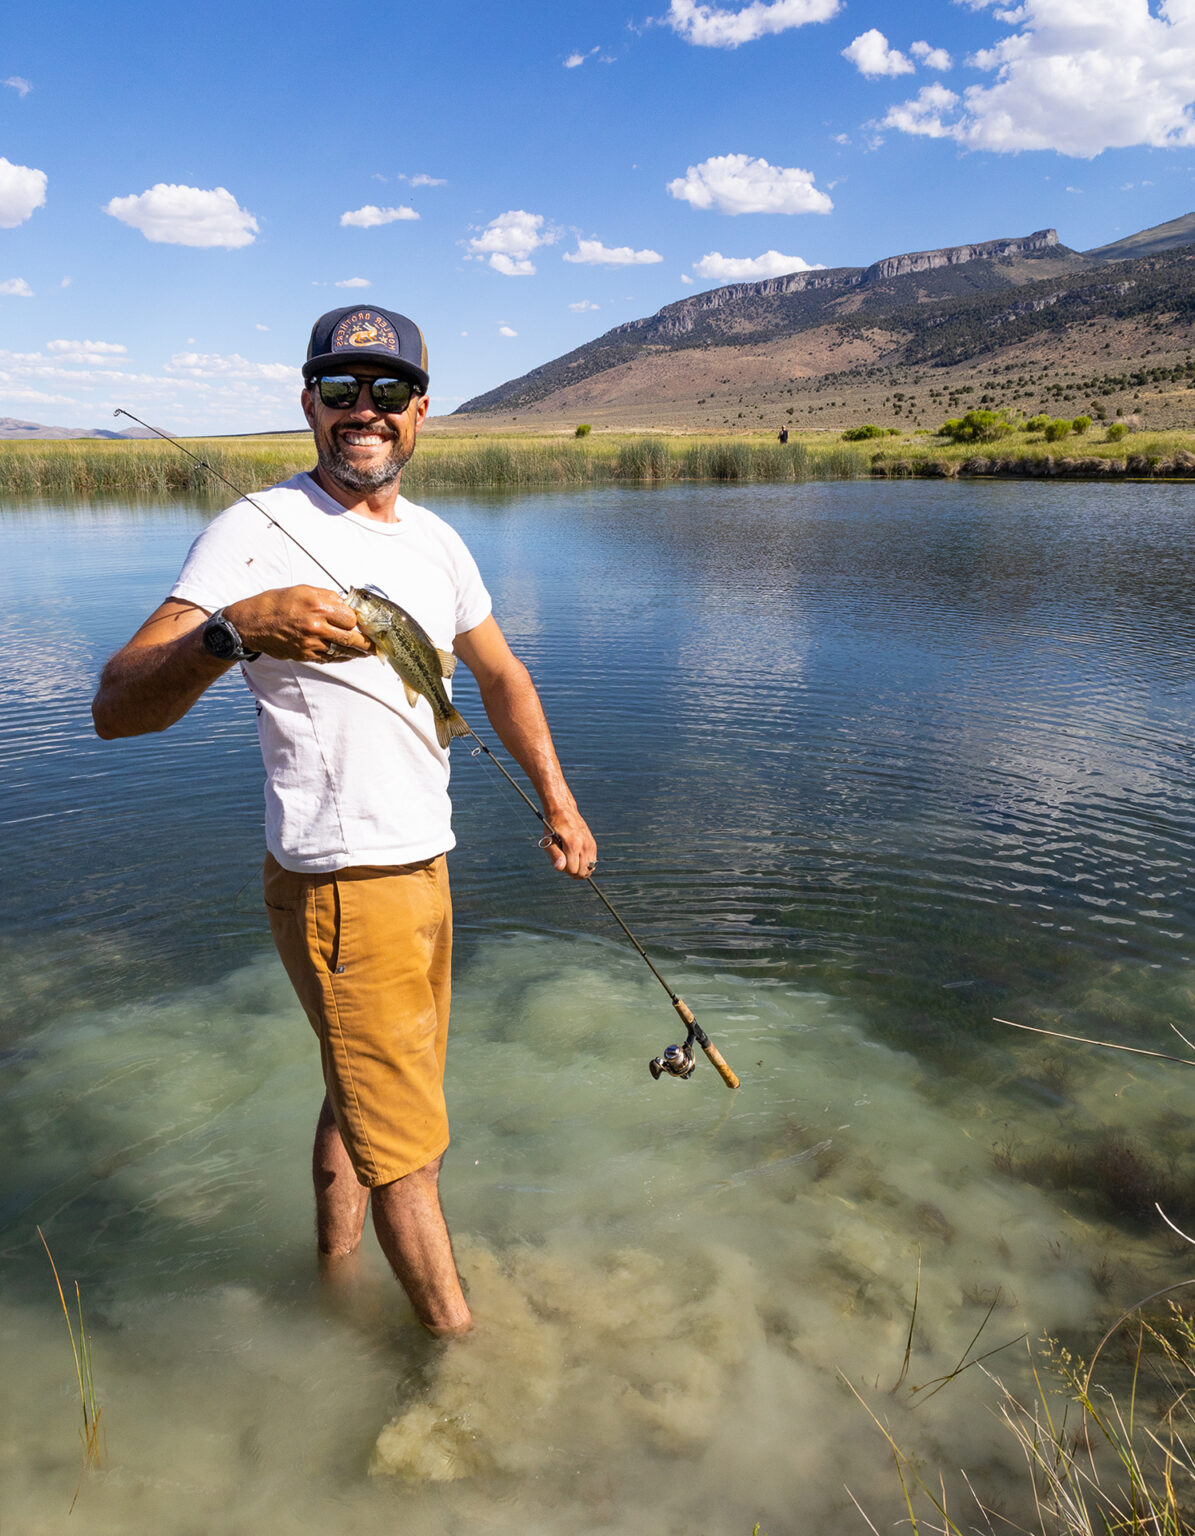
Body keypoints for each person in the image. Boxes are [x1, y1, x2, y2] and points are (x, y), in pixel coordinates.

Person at [91, 305, 597, 1337]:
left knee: (363, 1094)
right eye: (338, 390)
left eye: (385, 393)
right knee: (409, 1145)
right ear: (307, 403)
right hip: (338, 883)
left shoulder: (436, 541)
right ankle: (457, 1354)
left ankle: (334, 1281)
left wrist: (558, 799)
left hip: (425, 867)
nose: (361, 413)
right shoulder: (250, 531)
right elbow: (114, 706)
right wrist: (235, 632)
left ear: (421, 413)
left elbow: (499, 674)